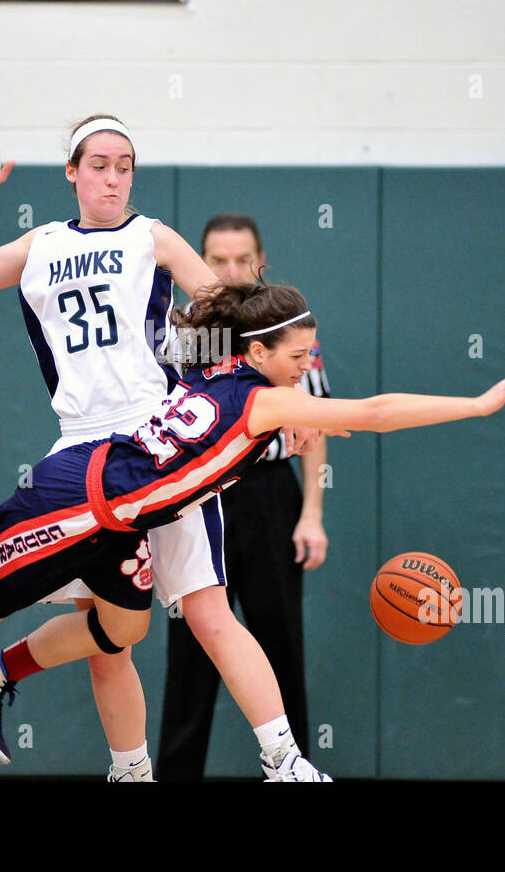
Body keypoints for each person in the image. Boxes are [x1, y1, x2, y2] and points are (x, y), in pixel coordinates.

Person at [0, 280, 505, 781]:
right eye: (299, 355)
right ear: (258, 350)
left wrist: (296, 427)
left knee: (120, 631)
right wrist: (478, 405)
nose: (308, 366)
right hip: (78, 501)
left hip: (128, 519)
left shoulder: (222, 368)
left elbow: (227, 430)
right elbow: (374, 413)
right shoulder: (264, 399)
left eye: (312, 353)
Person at [0, 119, 327, 781]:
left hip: (158, 442)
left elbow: (227, 318)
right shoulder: (41, 244)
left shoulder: (151, 236)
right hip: (82, 450)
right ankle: (130, 768)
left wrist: (280, 402)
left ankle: (285, 759)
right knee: (108, 629)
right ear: (72, 171)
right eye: (99, 165)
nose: (114, 177)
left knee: (207, 611)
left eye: (125, 165)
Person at [158, 213, 329, 780]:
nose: (230, 270)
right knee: (191, 647)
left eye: (242, 259)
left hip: (271, 495)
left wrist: (311, 514)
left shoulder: (287, 326)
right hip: (199, 494)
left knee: (280, 639)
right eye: (217, 259)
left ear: (261, 262)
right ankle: (177, 773)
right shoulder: (183, 333)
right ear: (200, 262)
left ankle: (292, 768)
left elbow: (317, 426)